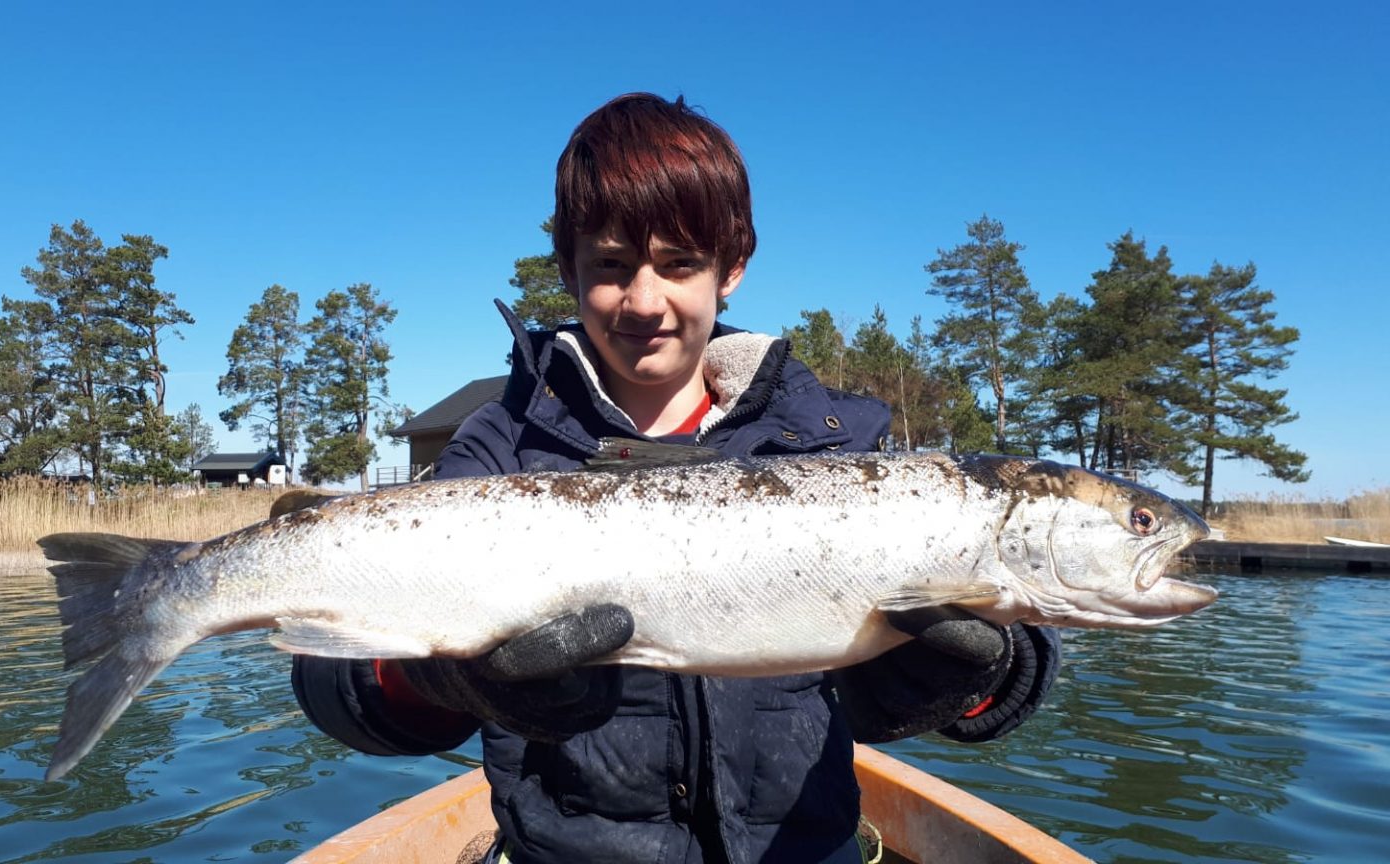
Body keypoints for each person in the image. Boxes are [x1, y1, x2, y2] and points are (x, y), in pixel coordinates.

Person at [291, 92, 1061, 864]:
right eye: (612, 267)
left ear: (732, 268)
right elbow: (337, 686)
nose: (645, 302)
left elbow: (1007, 678)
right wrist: (437, 681)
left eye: (679, 264)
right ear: (570, 268)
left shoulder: (837, 447)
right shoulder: (494, 452)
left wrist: (975, 670)